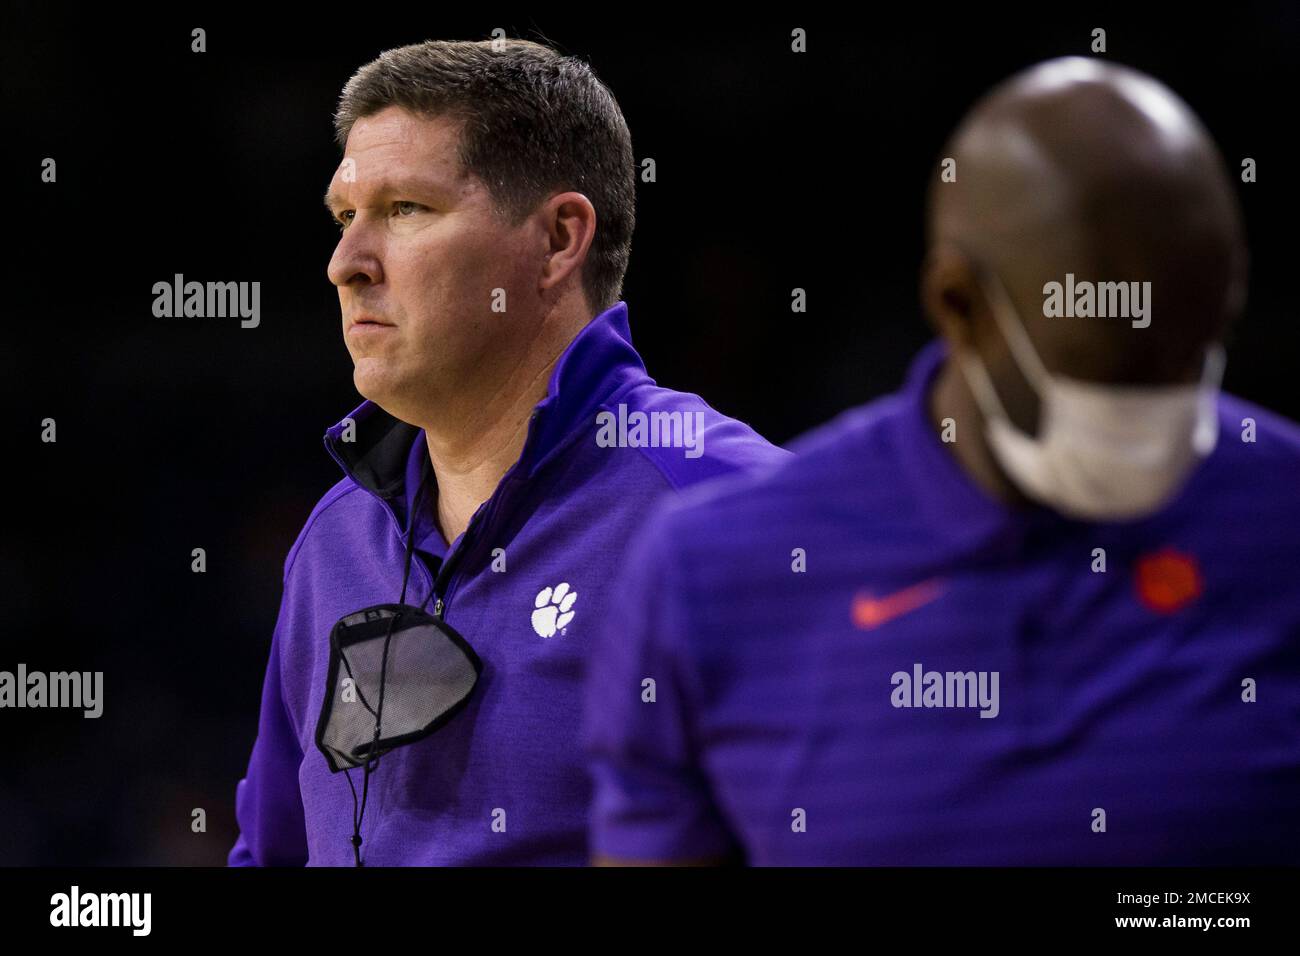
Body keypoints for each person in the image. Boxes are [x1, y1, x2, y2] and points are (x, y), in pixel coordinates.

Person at [584, 56, 1300, 865]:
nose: (1166, 415)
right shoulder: (714, 571)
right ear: (960, 307)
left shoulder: (1285, 511)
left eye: (1195, 352)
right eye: (1114, 372)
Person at [229, 38, 787, 866]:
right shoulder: (334, 543)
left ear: (560, 241)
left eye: (405, 210)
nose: (345, 264)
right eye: (346, 217)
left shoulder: (730, 514)